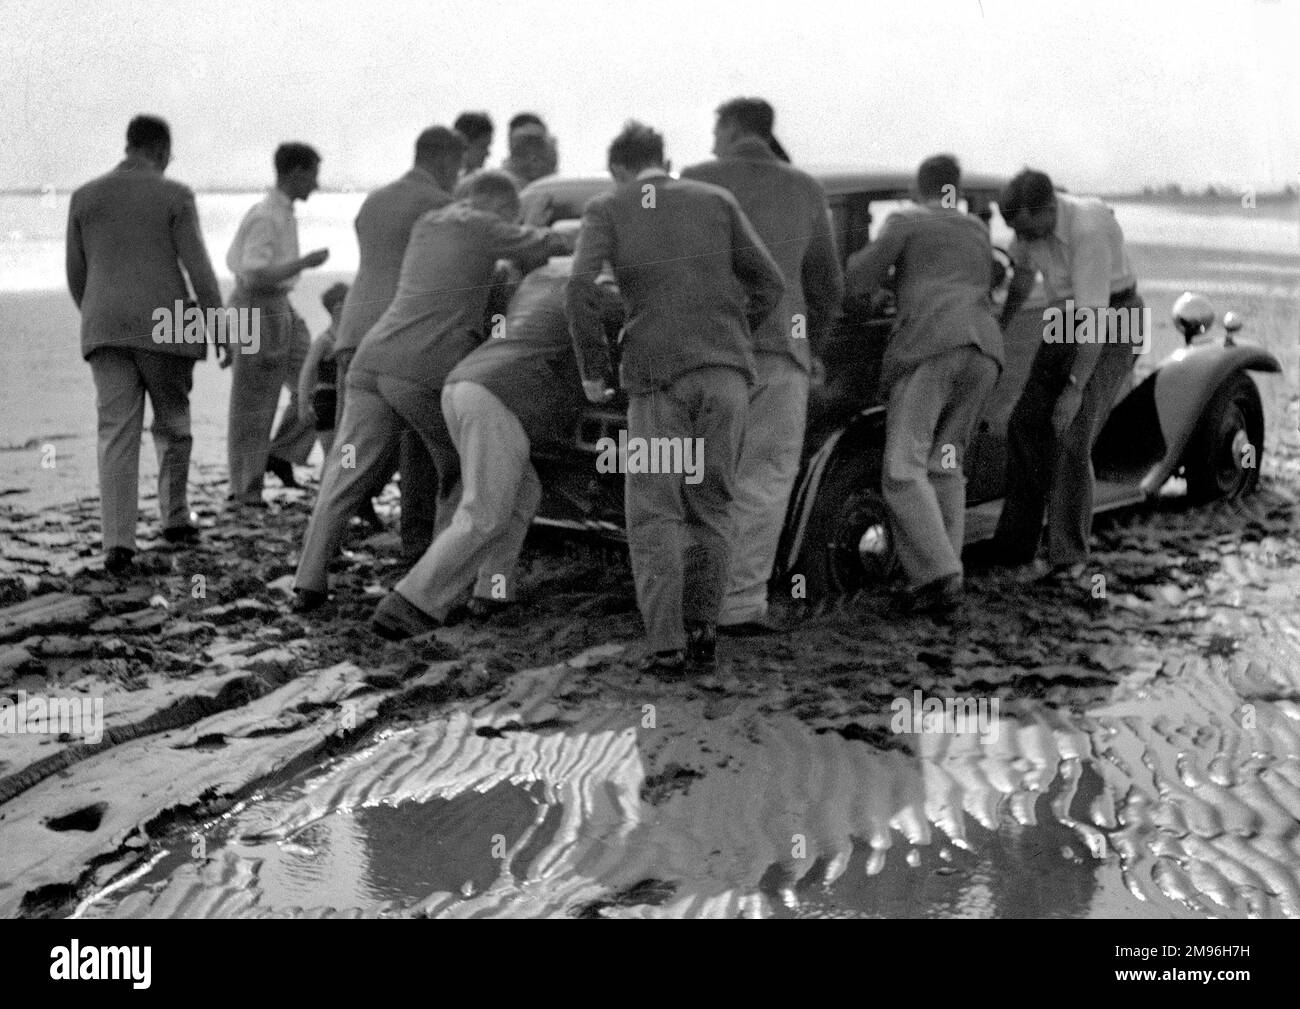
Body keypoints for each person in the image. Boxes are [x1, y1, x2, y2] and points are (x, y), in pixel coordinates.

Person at [293, 171, 570, 612]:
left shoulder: (431, 224)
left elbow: (469, 269)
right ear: (499, 207)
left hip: (373, 358)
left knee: (344, 474)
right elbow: (548, 247)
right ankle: (440, 588)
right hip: (424, 367)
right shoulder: (483, 223)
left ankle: (308, 581)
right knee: (462, 474)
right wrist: (536, 224)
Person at [568, 121, 785, 674]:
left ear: (619, 168)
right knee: (712, 505)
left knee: (656, 510)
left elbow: (579, 288)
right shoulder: (716, 200)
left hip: (657, 378)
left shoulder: (609, 207)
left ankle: (667, 645)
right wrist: (734, 330)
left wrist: (596, 369)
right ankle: (705, 631)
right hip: (726, 378)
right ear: (665, 157)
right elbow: (771, 283)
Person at [371, 256, 618, 638]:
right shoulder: (602, 293)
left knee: (523, 493)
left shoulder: (541, 277)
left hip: (466, 384)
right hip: (500, 398)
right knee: (485, 512)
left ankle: (493, 590)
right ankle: (410, 603)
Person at [681, 96, 843, 634]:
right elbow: (826, 284)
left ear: (730, 129)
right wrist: (811, 345)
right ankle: (739, 604)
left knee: (700, 475)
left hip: (704, 348)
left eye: (715, 129)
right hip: (779, 351)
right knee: (765, 475)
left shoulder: (695, 178)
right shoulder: (804, 187)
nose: (711, 142)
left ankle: (684, 598)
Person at [845, 154, 1003, 613]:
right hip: (984, 350)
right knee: (945, 464)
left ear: (919, 186)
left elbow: (857, 280)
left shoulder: (906, 221)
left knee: (902, 467)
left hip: (934, 345)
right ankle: (945, 570)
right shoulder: (974, 227)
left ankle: (938, 576)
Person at [66, 114, 224, 575]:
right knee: (174, 421)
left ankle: (118, 542)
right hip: (167, 323)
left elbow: (77, 275)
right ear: (161, 150)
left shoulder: (83, 197)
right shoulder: (175, 194)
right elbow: (199, 270)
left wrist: (102, 316)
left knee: (116, 431)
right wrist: (220, 330)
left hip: (104, 324)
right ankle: (174, 517)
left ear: (128, 145)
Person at [990, 168, 1143, 581]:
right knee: (1025, 424)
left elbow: (1096, 319)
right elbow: (1021, 277)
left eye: (1027, 231)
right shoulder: (1026, 229)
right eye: (1015, 232)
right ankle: (1015, 548)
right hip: (1066, 315)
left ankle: (1068, 557)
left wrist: (1074, 388)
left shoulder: (1088, 228)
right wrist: (1000, 326)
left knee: (1073, 431)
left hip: (1115, 317)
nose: (1023, 240)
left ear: (1049, 208)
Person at [331, 126, 466, 556]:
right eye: (457, 166)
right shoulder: (439, 206)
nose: (457, 175)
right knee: (420, 446)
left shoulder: (375, 199)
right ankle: (417, 541)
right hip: (403, 334)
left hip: (353, 327)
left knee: (348, 451)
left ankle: (324, 551)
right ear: (445, 161)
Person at [225, 142, 329, 508]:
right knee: (253, 399)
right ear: (295, 172)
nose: (316, 184)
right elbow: (252, 271)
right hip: (254, 305)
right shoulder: (267, 214)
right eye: (313, 174)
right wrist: (303, 264)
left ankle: (282, 453)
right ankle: (245, 488)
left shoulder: (280, 213)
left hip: (278, 302)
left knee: (316, 379)